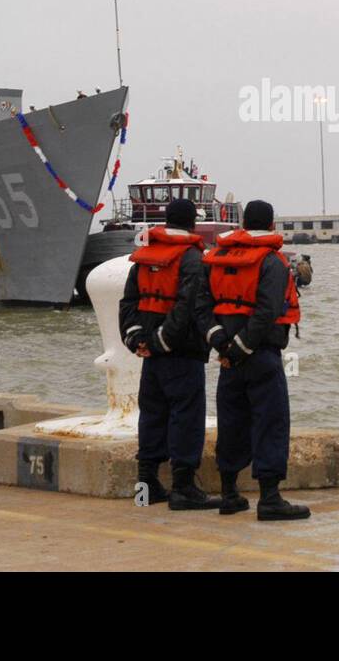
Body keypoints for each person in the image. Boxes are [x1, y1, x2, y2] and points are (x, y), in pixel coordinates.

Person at [195, 199, 309, 521]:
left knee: (231, 422)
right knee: (271, 422)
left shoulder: (215, 258)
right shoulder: (272, 262)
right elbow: (267, 312)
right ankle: (270, 499)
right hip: (260, 356)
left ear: (243, 223)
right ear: (272, 225)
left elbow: (202, 306)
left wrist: (220, 342)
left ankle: (230, 494)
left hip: (228, 360)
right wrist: (242, 347)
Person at [118, 198, 220, 511]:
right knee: (185, 416)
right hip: (183, 354)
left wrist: (137, 341)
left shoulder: (144, 258)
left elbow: (128, 303)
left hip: (150, 355)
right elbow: (187, 308)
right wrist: (163, 341)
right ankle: (184, 488)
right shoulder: (192, 258)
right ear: (192, 223)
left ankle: (146, 486)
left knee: (152, 414)